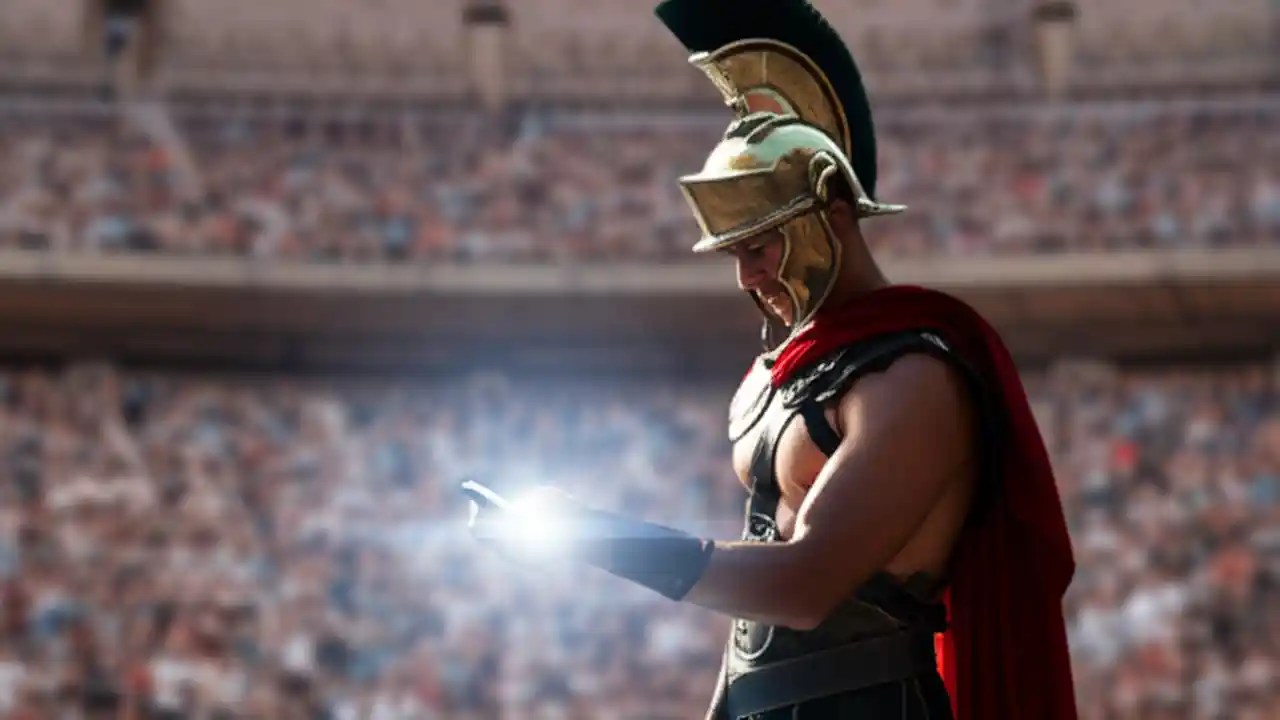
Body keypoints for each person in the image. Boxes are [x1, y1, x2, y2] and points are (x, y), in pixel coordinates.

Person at [466, 1, 1078, 718]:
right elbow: (759, 628)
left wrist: (596, 536)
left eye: (758, 248)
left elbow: (804, 584)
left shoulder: (915, 380)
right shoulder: (774, 378)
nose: (745, 277)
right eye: (733, 254)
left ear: (835, 217)